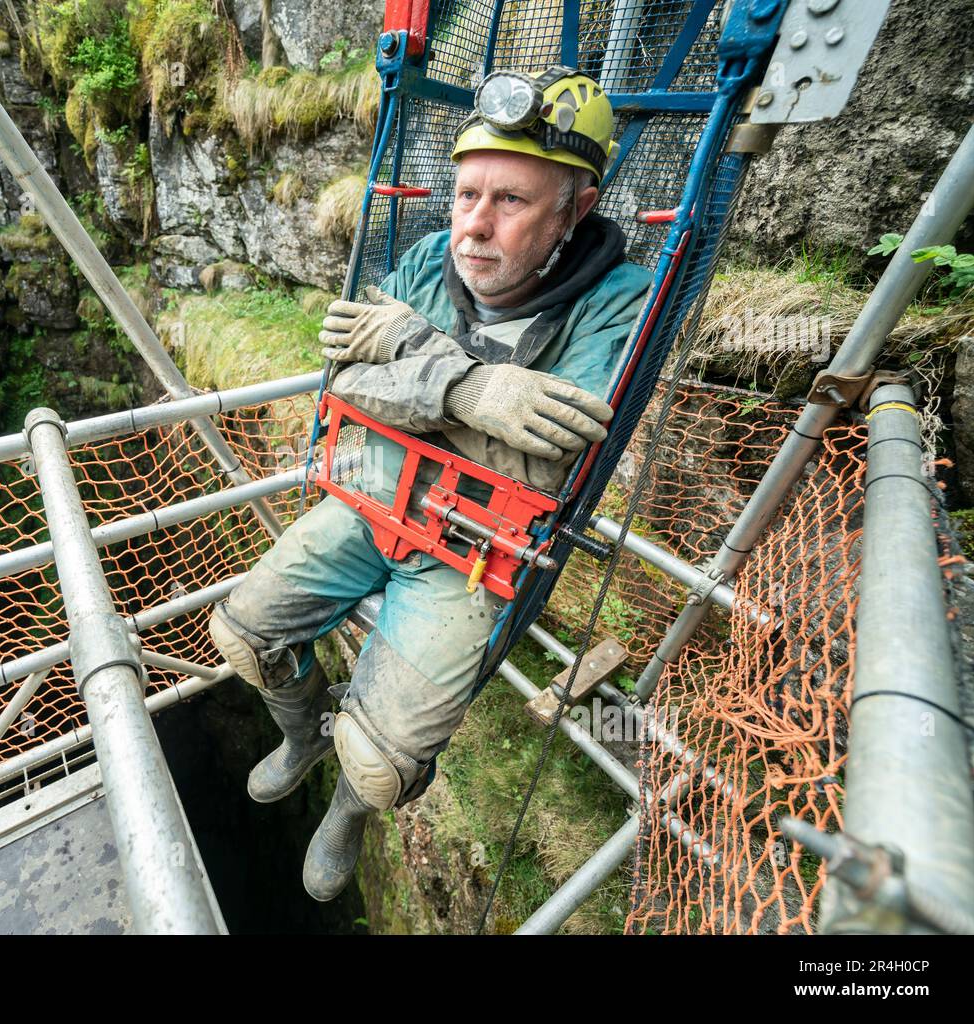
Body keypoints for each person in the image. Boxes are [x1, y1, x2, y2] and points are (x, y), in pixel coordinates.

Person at [209, 67, 653, 901]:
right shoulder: (426, 257)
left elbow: (548, 459)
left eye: (511, 202)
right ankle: (306, 738)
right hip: (370, 495)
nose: (474, 227)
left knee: (383, 766)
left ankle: (348, 804)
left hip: (470, 547)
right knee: (245, 635)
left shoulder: (616, 302)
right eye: (465, 195)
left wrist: (408, 350)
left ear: (575, 208)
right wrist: (468, 390)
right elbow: (341, 382)